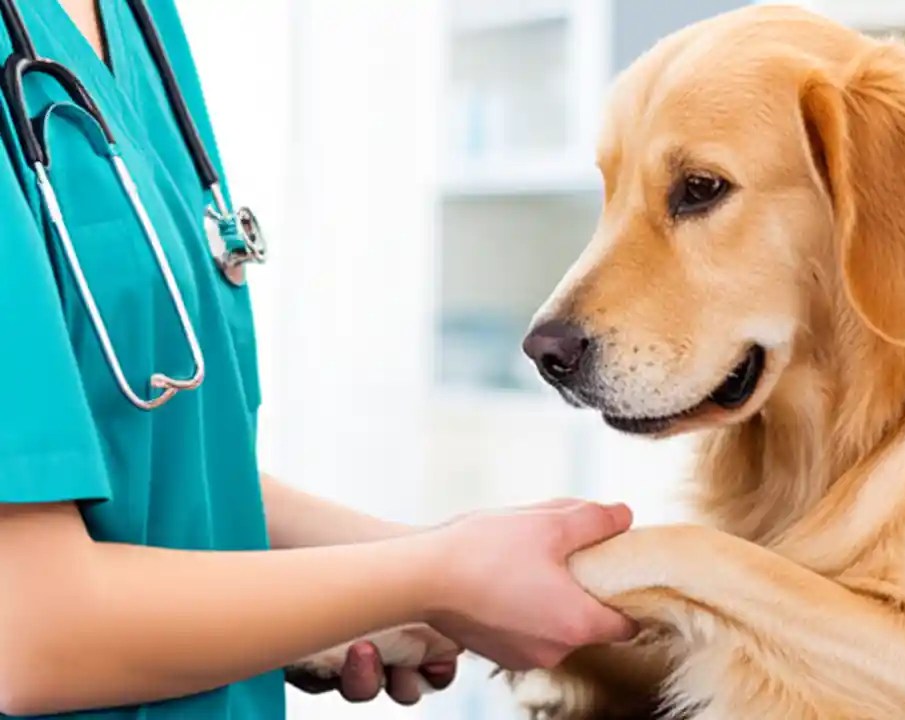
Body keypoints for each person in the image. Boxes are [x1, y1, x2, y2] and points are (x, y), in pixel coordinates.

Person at [0, 1, 635, 717]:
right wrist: (436, 575)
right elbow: (30, 631)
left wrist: (420, 564)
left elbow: (175, 469)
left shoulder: (140, 19)